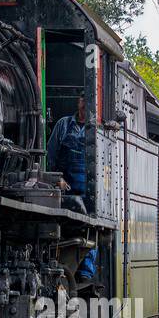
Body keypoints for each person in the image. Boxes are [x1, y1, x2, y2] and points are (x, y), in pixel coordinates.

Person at [46, 94, 97, 281]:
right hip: (66, 185)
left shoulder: (96, 128)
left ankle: (85, 272)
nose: (83, 102)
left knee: (90, 226)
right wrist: (56, 178)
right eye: (81, 98)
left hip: (89, 187)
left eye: (87, 98)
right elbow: (51, 155)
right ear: (78, 102)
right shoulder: (64, 124)